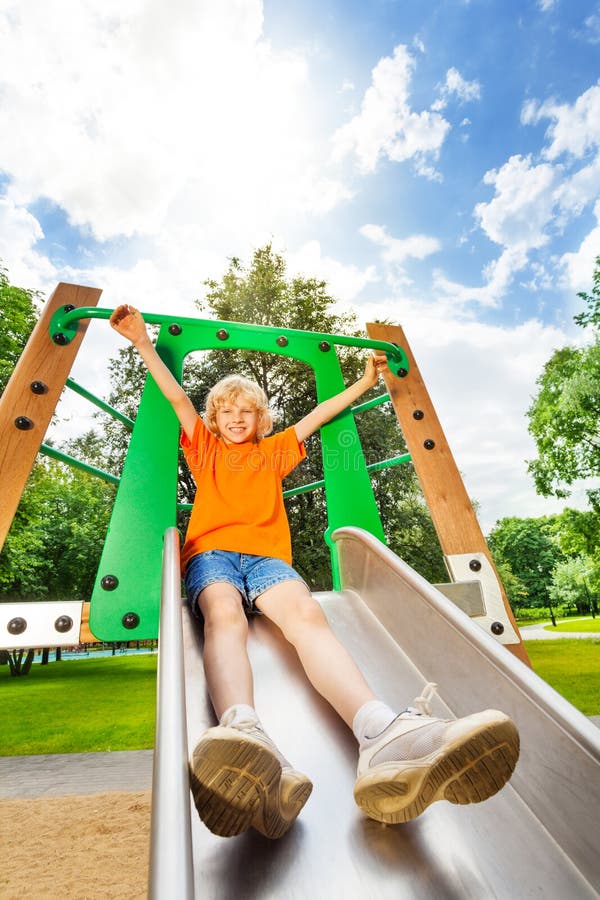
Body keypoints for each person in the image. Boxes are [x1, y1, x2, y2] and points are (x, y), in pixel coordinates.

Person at [110, 304, 520, 839]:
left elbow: (323, 412)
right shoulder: (205, 449)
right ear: (214, 420)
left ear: (261, 420)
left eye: (247, 412)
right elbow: (175, 397)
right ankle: (246, 731)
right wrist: (143, 341)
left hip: (269, 562)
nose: (236, 419)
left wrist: (368, 380)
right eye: (227, 412)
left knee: (306, 616)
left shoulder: (275, 452)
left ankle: (380, 733)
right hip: (211, 555)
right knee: (223, 615)